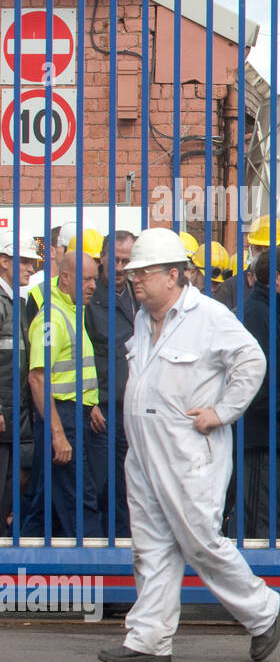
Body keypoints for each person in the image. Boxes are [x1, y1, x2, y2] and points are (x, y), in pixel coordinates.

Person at [98, 228, 280, 662]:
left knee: (200, 540)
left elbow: (251, 359)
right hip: (144, 449)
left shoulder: (208, 315)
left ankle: (263, 610)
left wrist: (222, 412)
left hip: (188, 451)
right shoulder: (145, 319)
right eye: (132, 271)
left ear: (173, 275)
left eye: (143, 272)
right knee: (151, 544)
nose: (134, 279)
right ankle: (147, 639)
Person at [27, 248, 106, 539]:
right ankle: (97, 574)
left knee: (45, 504)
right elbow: (38, 379)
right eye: (86, 279)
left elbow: (73, 371)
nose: (93, 286)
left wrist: (91, 403)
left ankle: (19, 569)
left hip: (74, 414)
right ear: (65, 278)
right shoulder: (54, 318)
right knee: (81, 501)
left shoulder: (73, 313)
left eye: (94, 280)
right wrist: (58, 434)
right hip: (61, 417)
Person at [242, 247, 280, 539]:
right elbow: (254, 384)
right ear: (276, 279)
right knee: (262, 528)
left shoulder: (275, 314)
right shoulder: (257, 316)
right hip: (265, 441)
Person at [85, 231, 137, 539]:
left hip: (132, 409)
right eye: (115, 260)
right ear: (102, 258)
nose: (120, 268)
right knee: (99, 485)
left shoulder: (138, 296)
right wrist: (90, 401)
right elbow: (80, 353)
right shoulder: (92, 298)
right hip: (101, 411)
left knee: (128, 486)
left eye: (126, 261)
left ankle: (123, 547)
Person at [0, 232, 39, 531]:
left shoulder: (17, 302)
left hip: (17, 417)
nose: (30, 268)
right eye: (24, 261)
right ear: (3, 261)